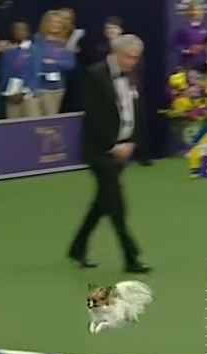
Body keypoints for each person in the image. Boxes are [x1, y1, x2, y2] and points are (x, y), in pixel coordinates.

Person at [67, 34, 150, 274]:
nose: (133, 62)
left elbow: (136, 112)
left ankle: (77, 246)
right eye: (129, 57)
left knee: (103, 202)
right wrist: (115, 145)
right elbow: (94, 117)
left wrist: (133, 142)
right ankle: (132, 257)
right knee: (117, 206)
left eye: (136, 58)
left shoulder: (132, 75)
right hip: (100, 152)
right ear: (116, 52)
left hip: (124, 151)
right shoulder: (95, 74)